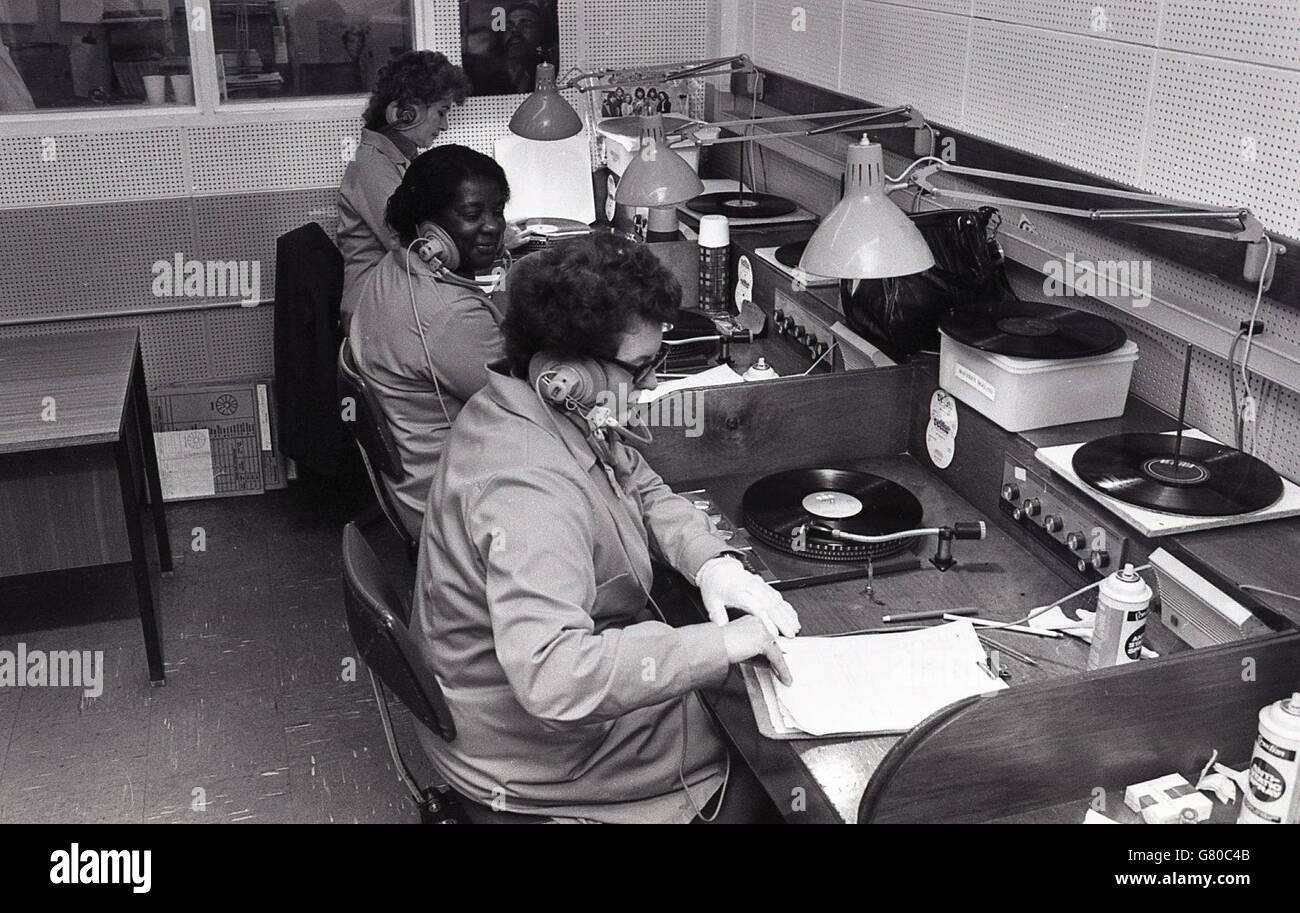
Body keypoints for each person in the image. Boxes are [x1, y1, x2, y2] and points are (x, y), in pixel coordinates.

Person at [410, 234, 800, 823]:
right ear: (565, 372)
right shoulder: (526, 487)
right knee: (771, 741)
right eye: (642, 368)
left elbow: (638, 485)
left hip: (506, 712)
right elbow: (554, 676)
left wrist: (711, 562)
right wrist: (723, 644)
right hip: (536, 752)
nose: (650, 386)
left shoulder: (537, 404)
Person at [347, 145, 510, 540]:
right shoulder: (447, 315)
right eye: (472, 215)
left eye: (498, 211)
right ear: (428, 228)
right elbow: (528, 404)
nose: (493, 227)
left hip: (423, 488)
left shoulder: (395, 267)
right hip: (457, 512)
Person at [337, 51, 472, 328]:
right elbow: (413, 245)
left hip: (398, 293)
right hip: (373, 310)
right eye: (442, 112)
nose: (445, 126)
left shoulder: (399, 160)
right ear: (405, 113)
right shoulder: (372, 167)